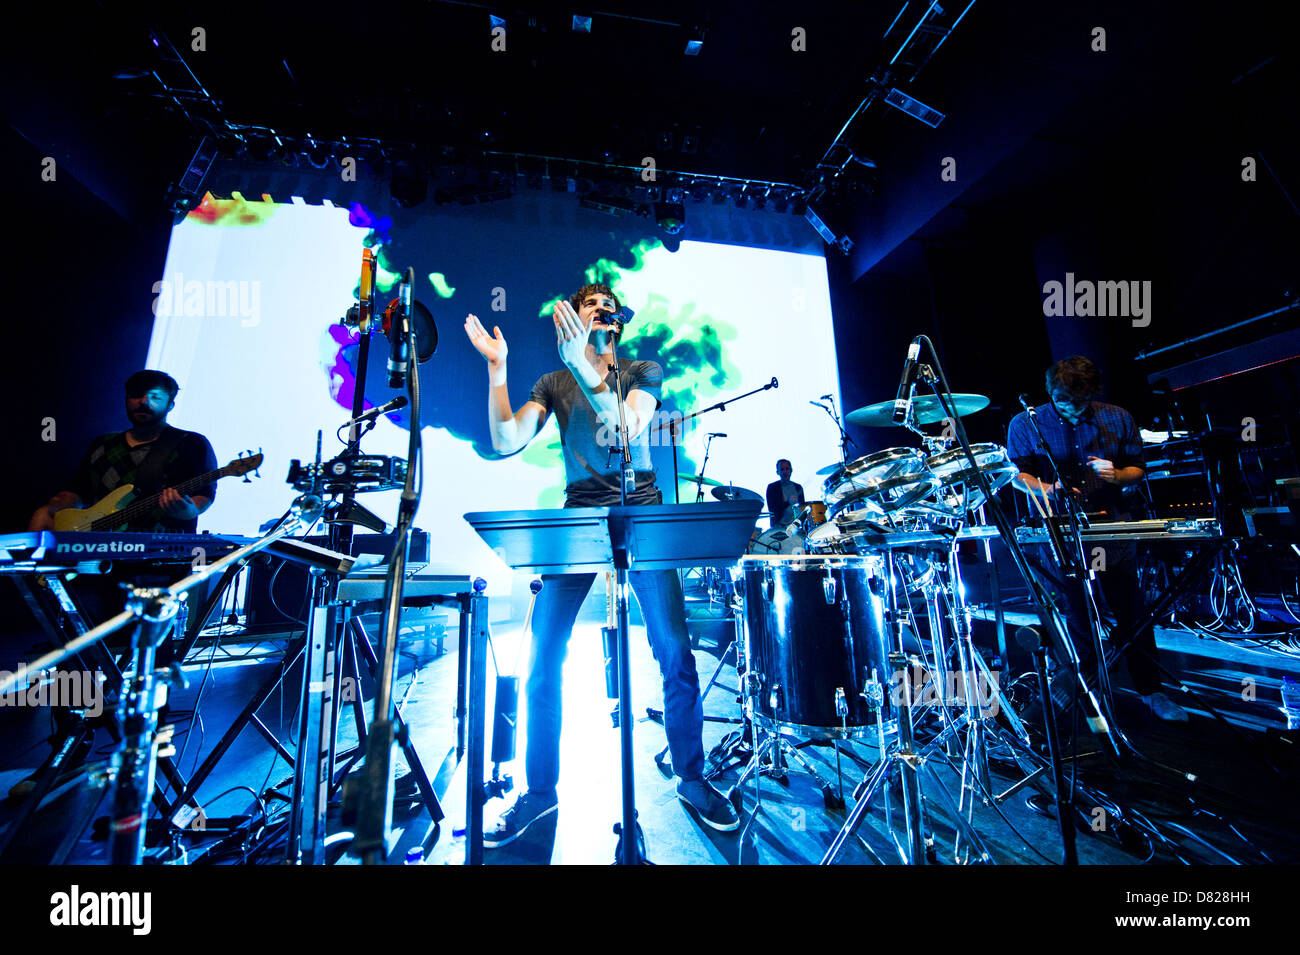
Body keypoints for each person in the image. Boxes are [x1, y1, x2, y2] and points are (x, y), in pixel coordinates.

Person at [463, 283, 738, 848]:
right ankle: (540, 794)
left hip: (640, 509)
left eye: (608, 306)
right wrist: (499, 372)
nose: (601, 310)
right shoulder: (554, 381)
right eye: (590, 303)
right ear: (575, 317)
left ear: (619, 322)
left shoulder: (642, 372)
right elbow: (505, 438)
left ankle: (691, 777)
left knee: (675, 652)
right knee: (544, 654)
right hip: (579, 514)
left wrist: (586, 372)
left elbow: (626, 431)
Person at [1006, 355, 1188, 722]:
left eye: (1079, 401)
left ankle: (1152, 691)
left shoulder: (1117, 417)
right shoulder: (1026, 422)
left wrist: (1118, 475)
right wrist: (1048, 488)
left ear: (1092, 392)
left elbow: (1138, 468)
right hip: (1058, 532)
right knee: (1075, 615)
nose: (1071, 409)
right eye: (1062, 401)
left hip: (1111, 528)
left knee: (1131, 612)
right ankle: (1087, 694)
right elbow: (1015, 474)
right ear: (1050, 392)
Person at [29, 370, 217, 533]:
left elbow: (204, 493)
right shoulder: (102, 443)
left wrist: (190, 511)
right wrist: (54, 507)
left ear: (170, 405)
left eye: (155, 397)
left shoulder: (190, 443)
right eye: (136, 395)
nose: (144, 402)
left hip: (157, 558)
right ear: (126, 399)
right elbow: (79, 491)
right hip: (99, 549)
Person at [765, 459, 805, 529]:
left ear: (791, 470)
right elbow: (773, 511)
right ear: (778, 472)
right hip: (779, 527)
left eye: (787, 469)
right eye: (782, 469)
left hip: (797, 527)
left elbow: (802, 509)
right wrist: (788, 502)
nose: (785, 472)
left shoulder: (798, 487)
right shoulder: (772, 488)